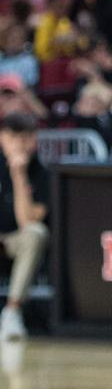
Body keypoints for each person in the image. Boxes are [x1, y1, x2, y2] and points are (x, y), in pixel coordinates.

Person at [0, 113, 49, 341]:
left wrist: (18, 175)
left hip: (14, 242)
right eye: (13, 136)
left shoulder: (41, 173)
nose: (20, 143)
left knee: (36, 233)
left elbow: (27, 221)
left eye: (26, 137)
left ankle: (12, 312)